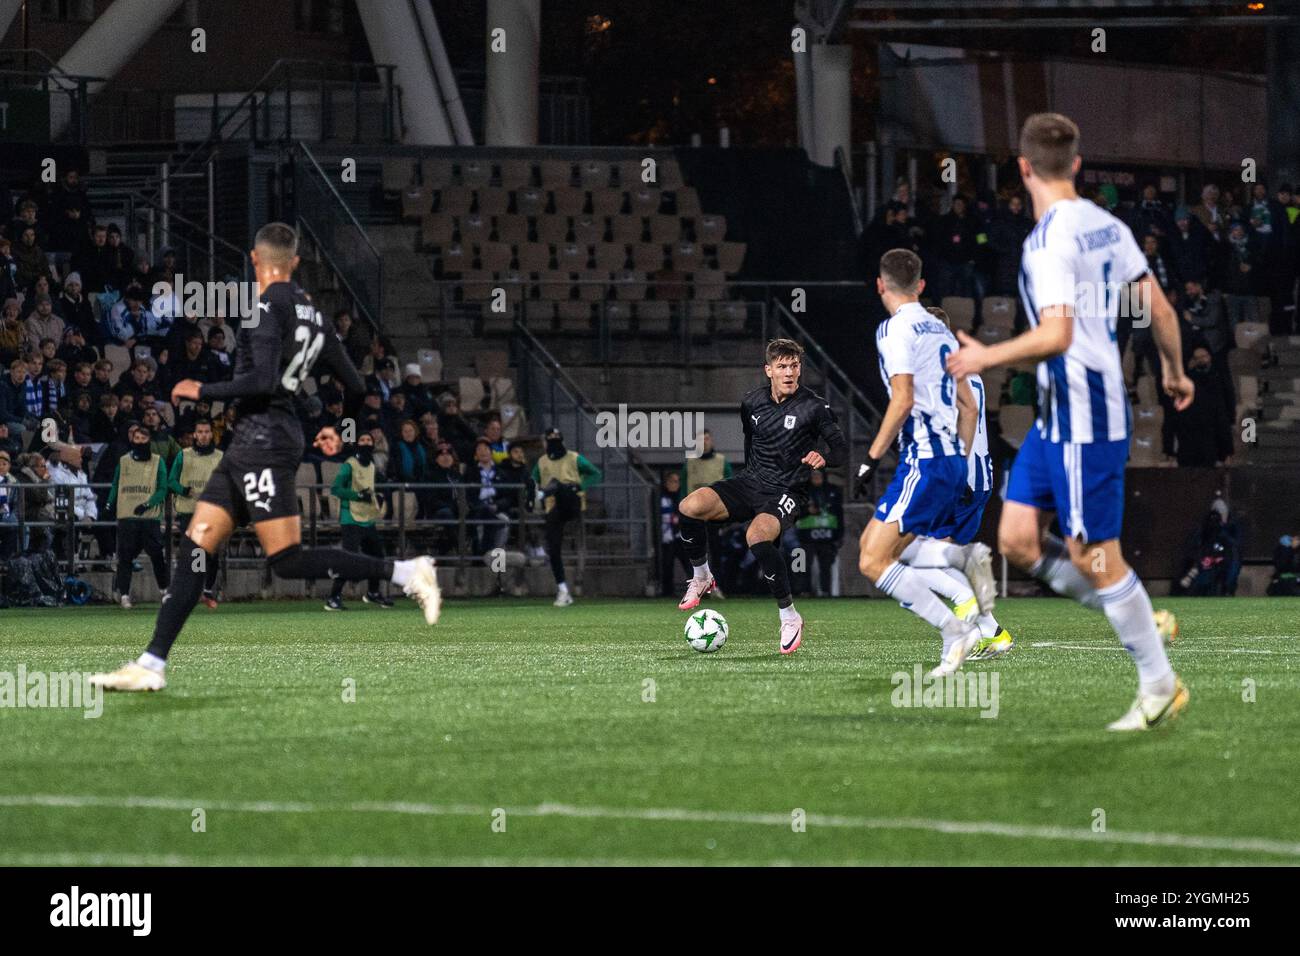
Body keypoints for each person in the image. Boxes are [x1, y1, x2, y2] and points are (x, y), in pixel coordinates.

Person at [89, 222, 441, 693]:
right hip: (257, 441)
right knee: (196, 545)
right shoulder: (313, 314)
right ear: (294, 262)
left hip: (265, 440)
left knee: (287, 558)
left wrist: (202, 390)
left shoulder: (262, 308)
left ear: (255, 260)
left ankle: (405, 572)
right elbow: (357, 388)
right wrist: (337, 430)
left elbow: (260, 382)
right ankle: (151, 662)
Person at [946, 112, 1193, 731]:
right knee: (1017, 540)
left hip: (1086, 416)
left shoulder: (1048, 241)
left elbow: (1055, 333)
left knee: (1096, 556)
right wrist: (1175, 370)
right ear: (1077, 165)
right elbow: (1158, 306)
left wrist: (983, 356)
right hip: (1057, 419)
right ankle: (1128, 609)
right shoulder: (1108, 226)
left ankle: (1157, 681)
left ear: (1023, 168)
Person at [852, 252, 988, 676]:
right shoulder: (946, 335)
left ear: (880, 285)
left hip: (923, 460)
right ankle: (959, 570)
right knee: (891, 548)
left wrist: (871, 459)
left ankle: (955, 629)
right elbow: (968, 407)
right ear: (921, 285)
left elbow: (903, 398)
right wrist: (959, 460)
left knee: (872, 561)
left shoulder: (895, 329)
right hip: (949, 460)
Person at [675, 339, 846, 651]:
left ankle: (789, 616)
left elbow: (841, 449)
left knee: (756, 537)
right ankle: (702, 577)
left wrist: (823, 455)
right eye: (782, 366)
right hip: (752, 480)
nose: (790, 372)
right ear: (769, 370)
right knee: (690, 506)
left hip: (787, 490)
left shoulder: (815, 407)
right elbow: (751, 445)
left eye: (794, 365)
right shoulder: (752, 402)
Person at [533, 427, 603, 607]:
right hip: (553, 507)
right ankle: (562, 589)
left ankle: (576, 583)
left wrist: (580, 486)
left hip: (573, 503)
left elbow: (595, 473)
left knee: (560, 486)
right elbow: (533, 481)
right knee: (553, 547)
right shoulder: (542, 462)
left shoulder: (573, 457)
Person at [325, 429, 392, 611]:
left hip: (367, 518)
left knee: (378, 556)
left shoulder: (371, 466)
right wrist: (356, 495)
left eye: (368, 440)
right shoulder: (349, 465)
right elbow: (336, 489)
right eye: (362, 440)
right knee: (349, 558)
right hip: (350, 518)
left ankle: (373, 592)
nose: (365, 443)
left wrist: (377, 496)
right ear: (357, 444)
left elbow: (373, 489)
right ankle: (333, 597)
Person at [106, 422, 171, 608]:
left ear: (149, 440)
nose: (140, 442)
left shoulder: (158, 462)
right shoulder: (124, 461)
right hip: (127, 516)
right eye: (137, 439)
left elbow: (163, 488)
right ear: (132, 440)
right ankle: (124, 595)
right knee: (125, 557)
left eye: (143, 439)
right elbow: (116, 484)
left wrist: (148, 504)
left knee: (157, 555)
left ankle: (164, 591)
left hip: (149, 517)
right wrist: (110, 503)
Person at [167, 417, 224, 607]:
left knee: (212, 552)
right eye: (200, 432)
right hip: (190, 511)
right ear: (194, 434)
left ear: (211, 433)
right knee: (197, 551)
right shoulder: (184, 455)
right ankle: (199, 589)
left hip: (213, 512)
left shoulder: (220, 457)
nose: (203, 435)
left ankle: (207, 588)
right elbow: (171, 480)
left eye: (207, 432)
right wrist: (185, 490)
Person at [680, 429, 732, 597]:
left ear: (712, 442)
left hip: (715, 515)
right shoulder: (689, 463)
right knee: (694, 551)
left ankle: (717, 588)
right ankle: (697, 588)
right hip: (694, 516)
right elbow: (682, 491)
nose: (704, 442)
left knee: (716, 552)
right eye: (700, 439)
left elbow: (731, 487)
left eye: (707, 439)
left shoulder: (721, 461)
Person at [794, 468, 842, 596]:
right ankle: (804, 591)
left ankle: (825, 591)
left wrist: (839, 535)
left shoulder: (833, 491)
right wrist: (807, 511)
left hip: (827, 536)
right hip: (805, 535)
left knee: (826, 565)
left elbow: (839, 514)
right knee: (802, 565)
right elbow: (794, 513)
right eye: (813, 476)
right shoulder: (802, 492)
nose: (816, 478)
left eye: (819, 476)